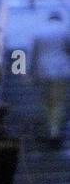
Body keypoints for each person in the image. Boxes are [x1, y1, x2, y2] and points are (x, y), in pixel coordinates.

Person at [32, 8, 70, 147]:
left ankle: (49, 128)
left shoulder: (40, 31)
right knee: (58, 103)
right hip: (61, 71)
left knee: (47, 102)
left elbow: (32, 53)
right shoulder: (65, 30)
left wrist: (27, 73)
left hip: (43, 72)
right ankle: (55, 131)